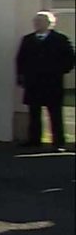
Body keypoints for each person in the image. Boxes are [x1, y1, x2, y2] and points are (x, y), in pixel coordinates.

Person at [15, 11, 74, 149]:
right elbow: (20, 60)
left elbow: (70, 59)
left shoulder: (60, 39)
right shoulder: (28, 39)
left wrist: (58, 71)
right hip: (33, 82)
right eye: (35, 21)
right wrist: (21, 76)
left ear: (50, 23)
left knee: (55, 113)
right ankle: (34, 140)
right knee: (34, 113)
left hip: (52, 82)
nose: (37, 23)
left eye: (40, 21)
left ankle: (58, 142)